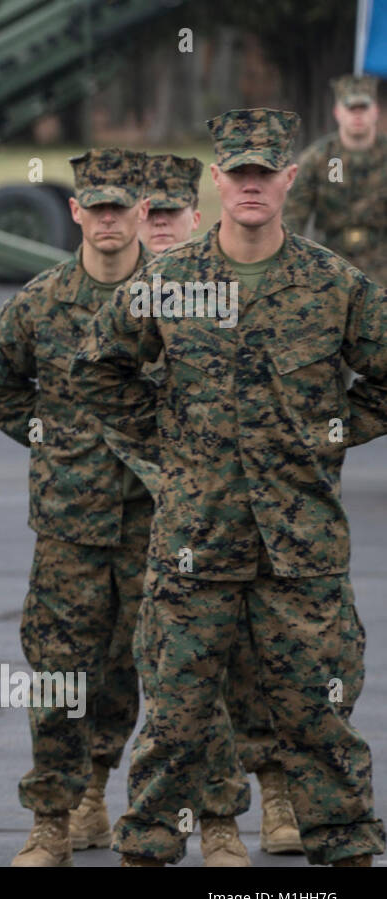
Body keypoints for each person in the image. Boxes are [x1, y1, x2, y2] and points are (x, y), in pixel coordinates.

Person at [72, 108, 387, 867]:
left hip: (300, 543)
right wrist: (171, 443)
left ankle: (342, 846)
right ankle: (148, 845)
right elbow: (98, 368)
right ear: (217, 181)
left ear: (289, 179)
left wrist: (331, 431)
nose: (250, 186)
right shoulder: (170, 281)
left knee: (318, 712)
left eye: (263, 174)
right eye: (237, 173)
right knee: (177, 716)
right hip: (194, 540)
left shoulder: (334, 286)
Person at [0, 147, 151, 866]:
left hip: (155, 517)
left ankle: (117, 795)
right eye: (96, 207)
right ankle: (53, 815)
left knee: (149, 669)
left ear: (142, 213)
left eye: (121, 207)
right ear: (76, 212)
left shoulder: (177, 298)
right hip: (69, 525)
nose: (108, 220)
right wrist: (49, 442)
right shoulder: (40, 301)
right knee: (57, 671)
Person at [140, 153, 302, 863]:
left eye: (172, 215)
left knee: (258, 677)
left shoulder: (294, 282)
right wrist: (162, 447)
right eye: (151, 215)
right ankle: (205, 821)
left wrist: (319, 438)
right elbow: (81, 385)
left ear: (195, 214)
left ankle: (273, 796)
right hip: (147, 520)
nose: (158, 227)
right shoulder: (140, 297)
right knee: (172, 690)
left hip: (260, 523)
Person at [286, 75, 387, 284]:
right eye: (351, 109)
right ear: (337, 112)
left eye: (363, 108)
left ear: (375, 111)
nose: (357, 115)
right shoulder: (319, 159)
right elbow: (293, 216)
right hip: (332, 266)